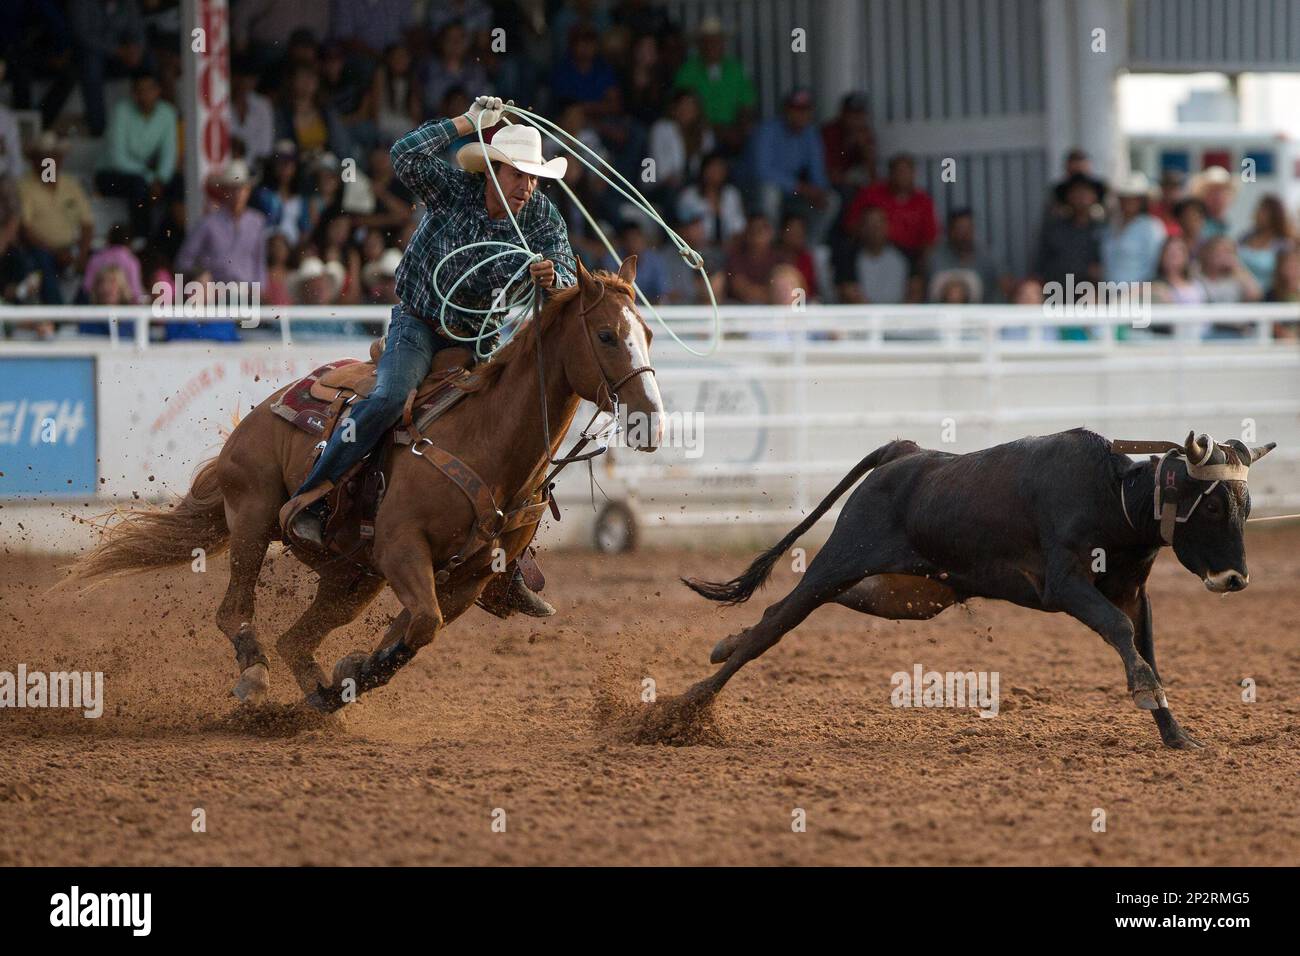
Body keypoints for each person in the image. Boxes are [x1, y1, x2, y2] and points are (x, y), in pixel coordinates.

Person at [282, 96, 573, 618]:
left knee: (515, 424)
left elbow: (568, 282)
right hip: (420, 325)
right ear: (493, 170)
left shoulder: (543, 217)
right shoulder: (455, 189)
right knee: (391, 395)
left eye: (534, 177)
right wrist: (467, 123)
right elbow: (404, 155)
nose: (528, 186)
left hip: (479, 340)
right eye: (519, 175)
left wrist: (554, 280)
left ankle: (505, 566)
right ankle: (315, 495)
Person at [173, 159, 266, 341]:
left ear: (248, 191)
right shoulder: (208, 223)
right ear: (224, 192)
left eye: (241, 188)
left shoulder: (257, 222)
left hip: (248, 295)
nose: (237, 193)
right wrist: (204, 277)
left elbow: (259, 262)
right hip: (216, 295)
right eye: (233, 188)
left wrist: (260, 290)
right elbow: (183, 261)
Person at [95, 70, 177, 239]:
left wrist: (161, 178)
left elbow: (169, 153)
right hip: (109, 175)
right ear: (133, 93)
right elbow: (117, 159)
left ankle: (166, 242)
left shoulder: (167, 113)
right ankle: (142, 240)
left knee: (179, 185)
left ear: (158, 91)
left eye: (150, 89)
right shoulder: (121, 111)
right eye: (140, 90)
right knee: (138, 186)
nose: (145, 95)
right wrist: (151, 178)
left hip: (147, 176)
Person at [750, 88, 838, 245]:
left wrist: (819, 191)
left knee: (831, 200)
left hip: (793, 195)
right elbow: (762, 171)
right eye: (796, 109)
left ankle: (809, 250)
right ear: (786, 110)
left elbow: (817, 174)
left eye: (805, 110)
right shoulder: (768, 130)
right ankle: (771, 246)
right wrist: (798, 186)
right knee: (770, 193)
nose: (801, 115)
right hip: (758, 193)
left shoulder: (811, 134)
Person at [842, 153, 938, 270]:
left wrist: (921, 261)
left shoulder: (923, 200)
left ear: (913, 174)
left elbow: (930, 237)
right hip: (872, 251)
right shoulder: (871, 193)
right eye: (899, 172)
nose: (903, 176)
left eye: (907, 172)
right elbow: (851, 224)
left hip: (910, 256)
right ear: (890, 173)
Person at [1100, 172, 1165, 284]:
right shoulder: (1111, 226)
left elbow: (1155, 265)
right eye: (1124, 197)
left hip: (1138, 295)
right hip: (1108, 293)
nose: (1128, 202)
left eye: (1133, 198)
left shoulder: (1152, 226)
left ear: (1142, 200)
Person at [1236, 194, 1292, 290]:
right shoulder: (1245, 237)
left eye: (1264, 211)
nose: (1258, 214)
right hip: (1241, 292)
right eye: (1259, 209)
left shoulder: (1283, 244)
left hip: (1269, 295)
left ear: (1274, 215)